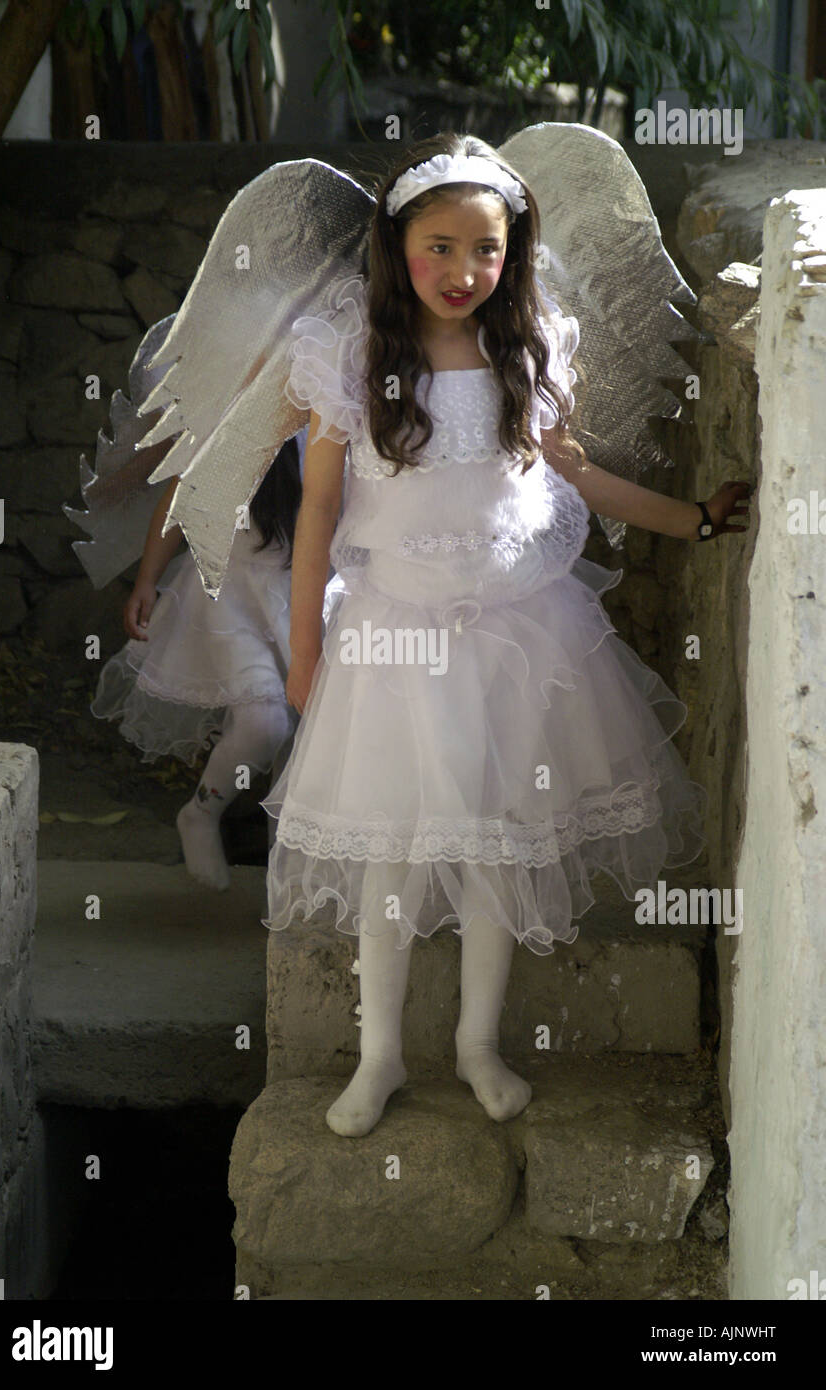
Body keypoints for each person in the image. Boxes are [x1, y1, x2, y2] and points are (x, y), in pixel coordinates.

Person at [260, 130, 751, 1139]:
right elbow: (316, 513)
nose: (462, 271)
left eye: (485, 249)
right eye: (438, 246)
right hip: (393, 645)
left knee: (499, 845)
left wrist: (693, 516)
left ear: (511, 253)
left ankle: (478, 1043)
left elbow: (580, 476)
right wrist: (304, 649)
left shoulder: (528, 345)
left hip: (519, 636)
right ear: (398, 247)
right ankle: (379, 1053)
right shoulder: (352, 358)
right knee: (392, 855)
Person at [92, 434, 310, 891]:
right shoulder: (235, 407)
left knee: (306, 744)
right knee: (264, 722)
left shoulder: (339, 400)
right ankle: (202, 812)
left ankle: (285, 886)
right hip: (227, 590)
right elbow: (181, 495)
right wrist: (147, 580)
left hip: (308, 591)